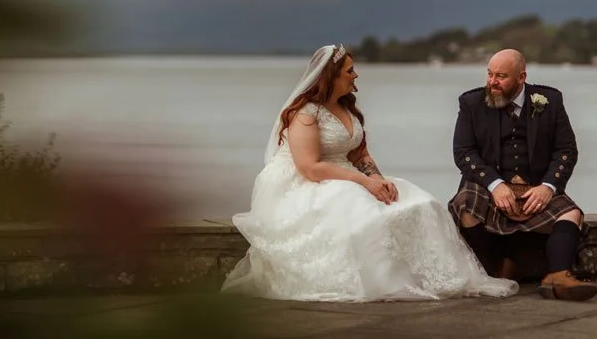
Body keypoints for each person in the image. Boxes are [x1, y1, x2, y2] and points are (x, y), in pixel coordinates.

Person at [221, 44, 517, 302]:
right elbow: (310, 167)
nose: (356, 75)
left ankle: (432, 278)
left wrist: (376, 177)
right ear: (331, 77)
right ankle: (381, 281)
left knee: (422, 203)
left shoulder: (346, 109)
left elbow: (360, 153)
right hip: (311, 182)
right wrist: (364, 182)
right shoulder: (305, 114)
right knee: (368, 215)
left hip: (351, 175)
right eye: (349, 71)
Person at [449, 49, 597, 301]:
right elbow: (464, 153)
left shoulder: (549, 101)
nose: (492, 82)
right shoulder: (472, 103)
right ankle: (497, 266)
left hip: (535, 187)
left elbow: (566, 150)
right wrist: (495, 185)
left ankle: (558, 276)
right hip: (489, 186)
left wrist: (548, 186)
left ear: (521, 78)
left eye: (501, 76)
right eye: (489, 74)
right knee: (465, 206)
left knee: (571, 213)